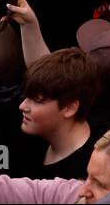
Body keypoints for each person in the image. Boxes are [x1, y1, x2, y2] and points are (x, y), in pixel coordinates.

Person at [15, 48, 102, 180]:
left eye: (37, 101)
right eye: (26, 97)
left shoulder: (85, 174)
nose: (22, 106)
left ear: (69, 108)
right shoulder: (32, 133)